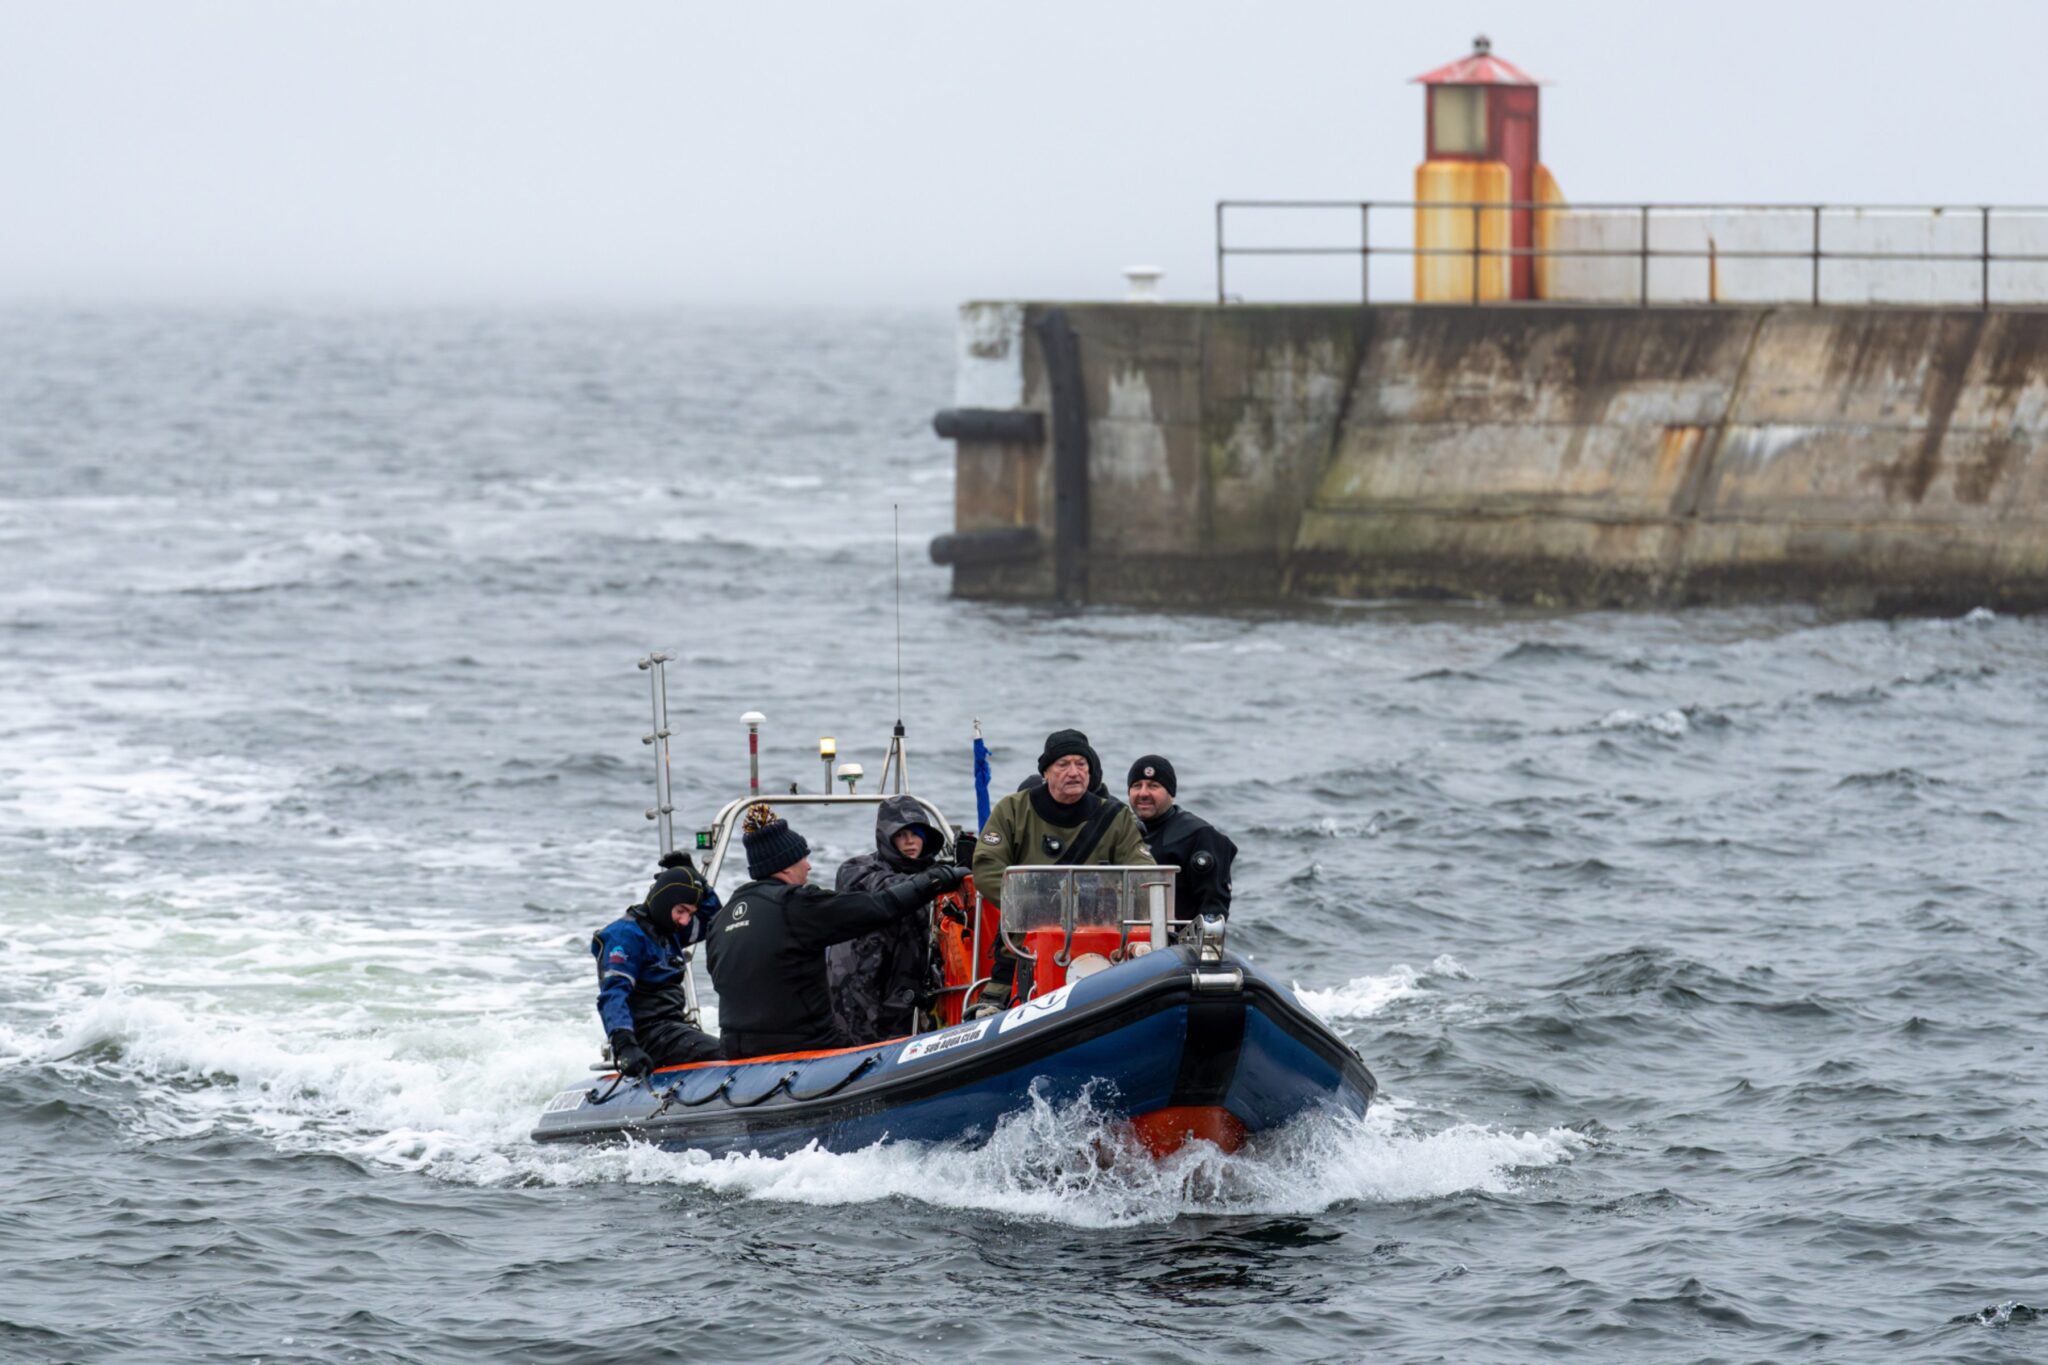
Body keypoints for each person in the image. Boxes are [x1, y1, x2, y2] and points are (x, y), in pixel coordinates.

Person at [705, 803, 964, 1059]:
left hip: (736, 1049)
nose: (809, 866)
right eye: (803, 858)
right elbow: (880, 905)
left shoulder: (722, 917)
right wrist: (935, 880)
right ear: (785, 865)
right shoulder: (799, 905)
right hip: (803, 1045)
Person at [971, 728, 1151, 1007]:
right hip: (1023, 952)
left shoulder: (1115, 818)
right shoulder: (1013, 810)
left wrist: (1096, 902)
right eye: (1063, 764)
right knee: (989, 1008)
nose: (1074, 772)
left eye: (1081, 764)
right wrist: (1038, 905)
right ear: (1046, 772)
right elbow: (986, 868)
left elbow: (1144, 876)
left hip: (1101, 954)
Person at [591, 852, 725, 1079]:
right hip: (647, 1036)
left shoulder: (671, 931)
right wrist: (625, 1045)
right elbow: (613, 994)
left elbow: (713, 921)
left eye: (690, 913)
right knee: (725, 1053)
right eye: (681, 910)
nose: (685, 920)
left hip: (673, 1029)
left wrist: (698, 880)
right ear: (664, 902)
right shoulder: (625, 936)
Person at [828, 795, 943, 1044]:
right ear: (887, 838)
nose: (910, 841)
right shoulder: (857, 870)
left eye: (916, 833)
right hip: (861, 1000)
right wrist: (934, 881)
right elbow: (887, 890)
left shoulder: (939, 875)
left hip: (916, 995)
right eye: (901, 835)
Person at [1127, 754, 1237, 920]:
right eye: (1137, 786)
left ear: (1171, 793)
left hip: (1177, 940)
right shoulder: (1122, 831)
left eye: (1153, 786)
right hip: (1127, 937)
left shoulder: (1198, 834)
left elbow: (1213, 908)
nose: (1143, 793)